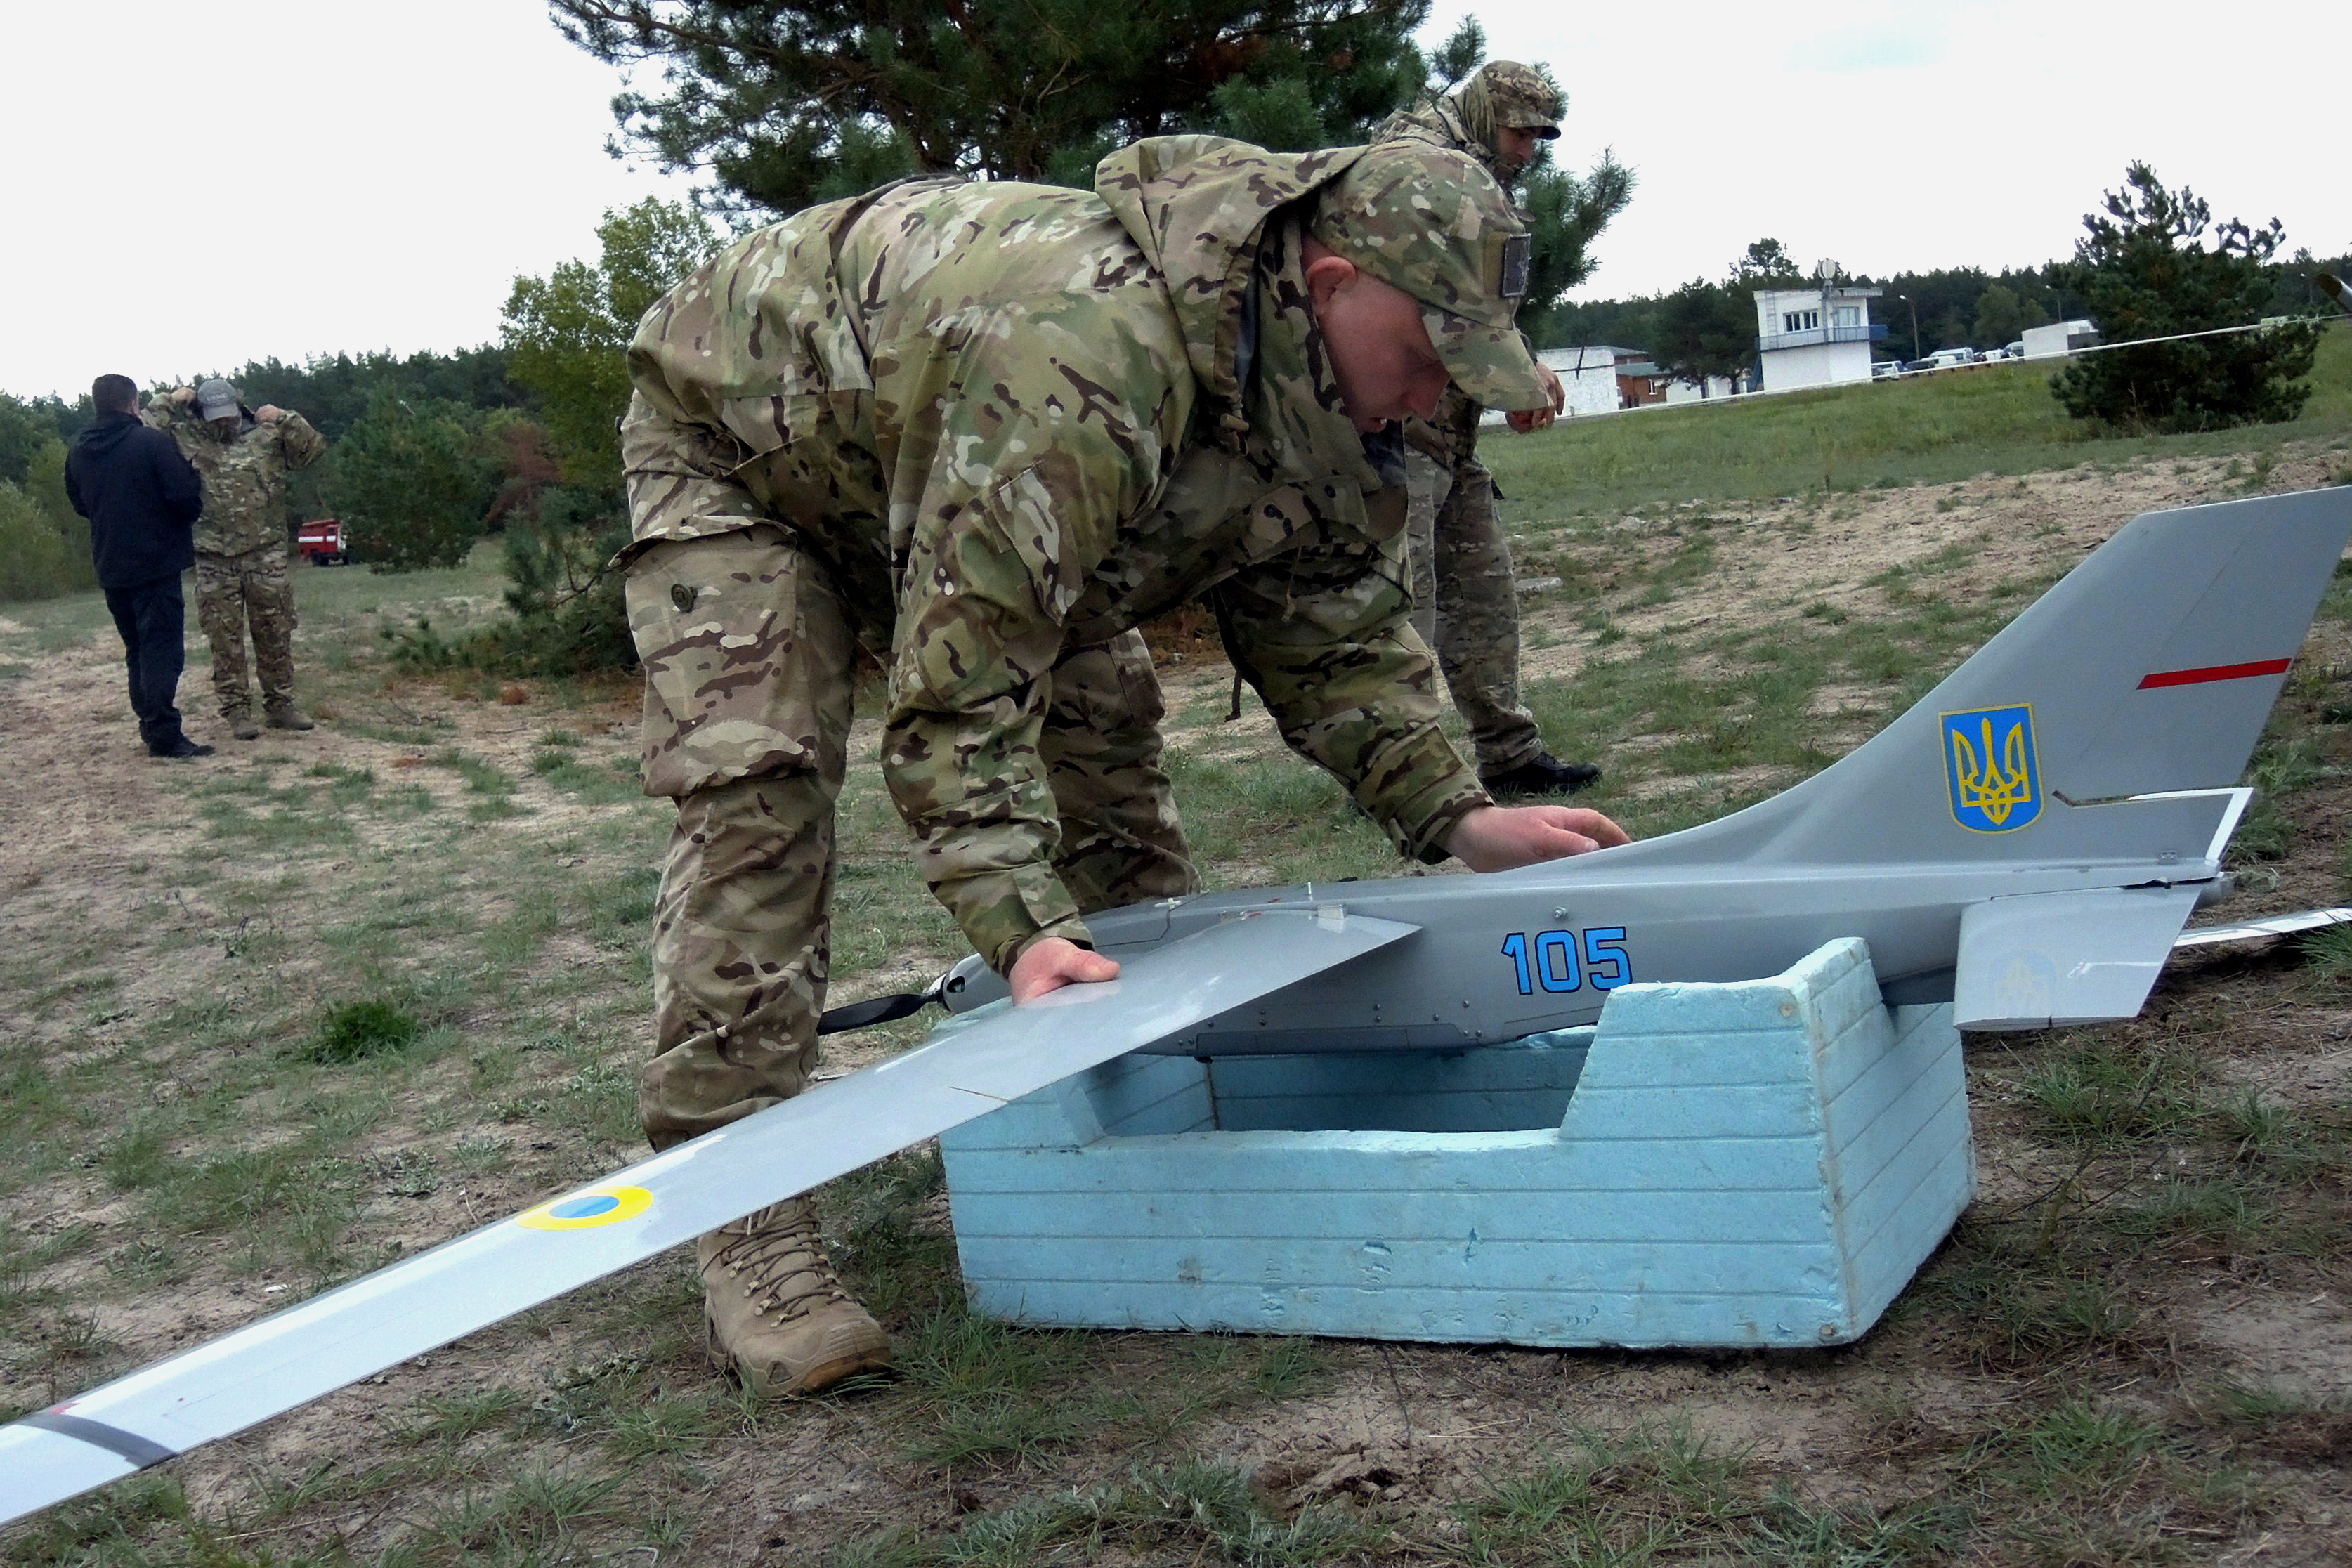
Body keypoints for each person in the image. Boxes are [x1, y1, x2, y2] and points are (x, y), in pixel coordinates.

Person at [620, 133, 1631, 1397]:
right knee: (757, 791)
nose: (1430, 399)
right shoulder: (1082, 356)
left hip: (949, 460)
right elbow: (963, 683)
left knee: (1107, 723)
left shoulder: (1316, 384)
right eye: (1427, 359)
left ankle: (1147, 1083)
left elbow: (1333, 631)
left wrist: (1461, 816)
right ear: (1328, 284)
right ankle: (741, 1204)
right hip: (743, 451)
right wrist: (1018, 926)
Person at [1373, 63, 1602, 798]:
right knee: (1402, 614)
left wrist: (1518, 368)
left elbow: (1481, 301)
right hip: (1395, 429)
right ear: (1483, 113)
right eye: (1520, 133)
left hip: (1449, 436)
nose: (1529, 150)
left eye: (1540, 137)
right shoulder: (1416, 167)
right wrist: (1513, 374)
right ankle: (1398, 773)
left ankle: (1509, 754)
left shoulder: (1473, 172)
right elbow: (1426, 299)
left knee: (1483, 594)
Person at [145, 379, 326, 739]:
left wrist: (286, 418)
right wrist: (169, 400)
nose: (223, 422)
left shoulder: (267, 433)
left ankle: (280, 705)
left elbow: (312, 451)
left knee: (275, 632)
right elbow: (144, 431)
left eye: (228, 415)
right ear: (201, 412)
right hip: (213, 557)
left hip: (266, 553)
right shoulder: (184, 436)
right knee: (224, 639)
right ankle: (237, 711)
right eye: (215, 417)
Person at [65, 374, 212, 759]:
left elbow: (79, 503)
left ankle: (150, 726)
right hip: (156, 564)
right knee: (161, 649)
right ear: (133, 404)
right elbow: (184, 496)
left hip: (111, 564)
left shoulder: (79, 451)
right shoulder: (151, 442)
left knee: (137, 650)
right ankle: (164, 735)